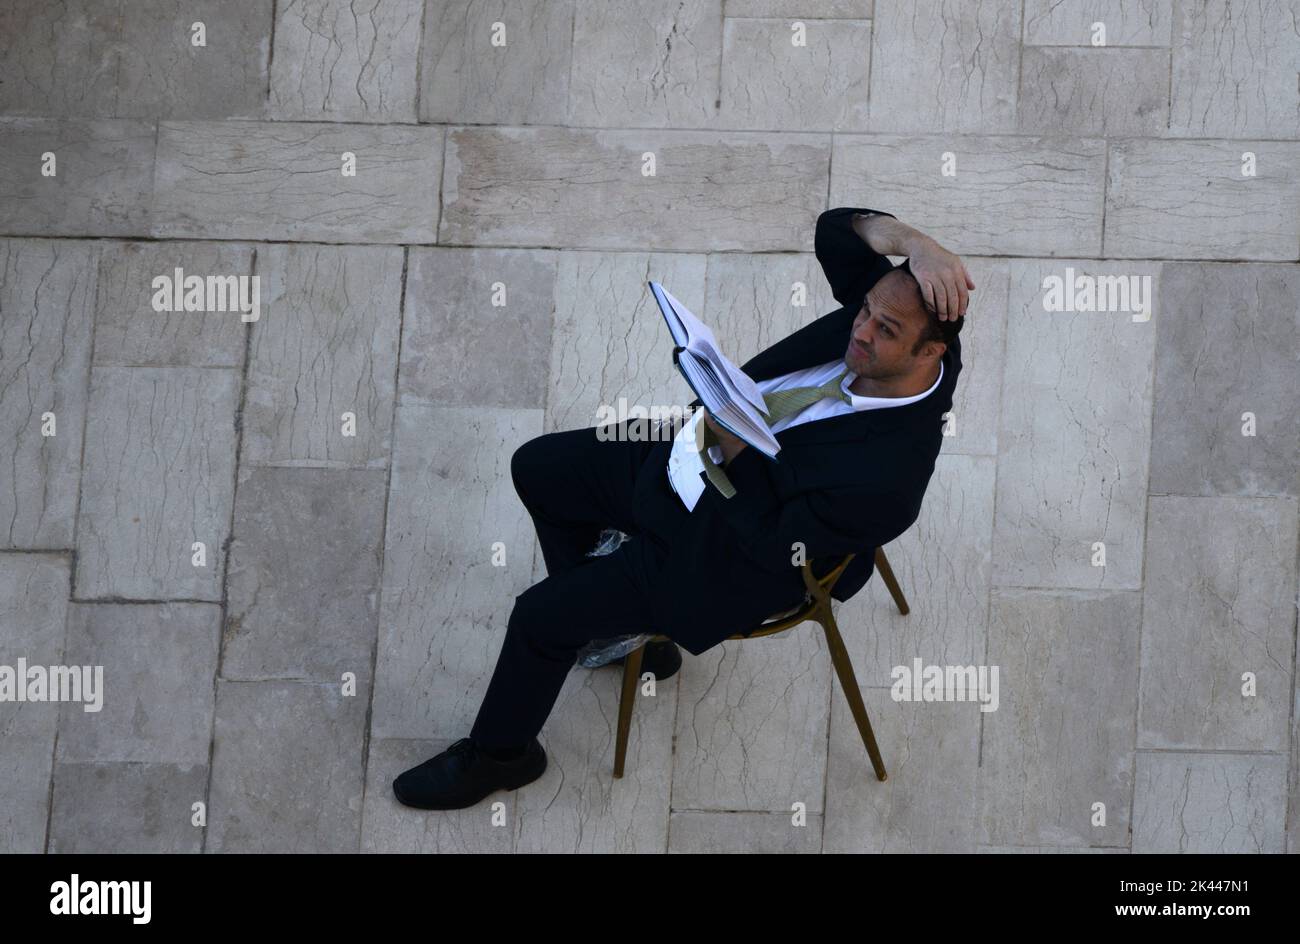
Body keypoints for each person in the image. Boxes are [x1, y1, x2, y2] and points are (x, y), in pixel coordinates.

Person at [392, 207, 973, 810]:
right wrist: (918, 244)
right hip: (684, 456)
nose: (860, 331)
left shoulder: (889, 482)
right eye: (864, 312)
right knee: (537, 468)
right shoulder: (897, 319)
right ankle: (618, 633)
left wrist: (729, 453)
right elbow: (836, 228)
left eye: (884, 330)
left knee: (539, 619)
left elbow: (774, 546)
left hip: (721, 558)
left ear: (931, 352)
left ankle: (502, 756)